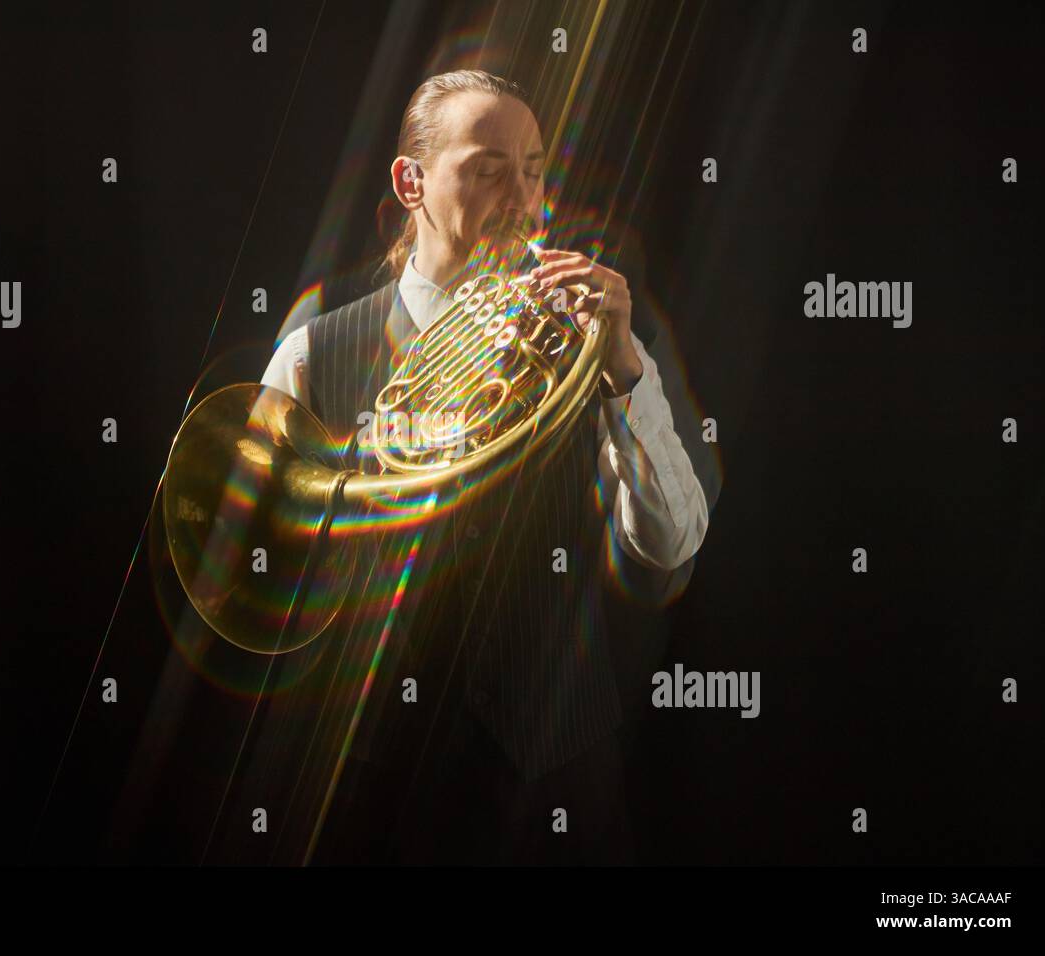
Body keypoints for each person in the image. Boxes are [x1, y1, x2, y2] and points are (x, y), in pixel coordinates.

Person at [259, 69, 709, 864]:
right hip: (370, 785)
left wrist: (626, 374)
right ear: (412, 181)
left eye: (533, 168)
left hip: (555, 785)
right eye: (488, 168)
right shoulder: (311, 353)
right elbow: (264, 564)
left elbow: (671, 544)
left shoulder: (589, 342)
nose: (522, 196)